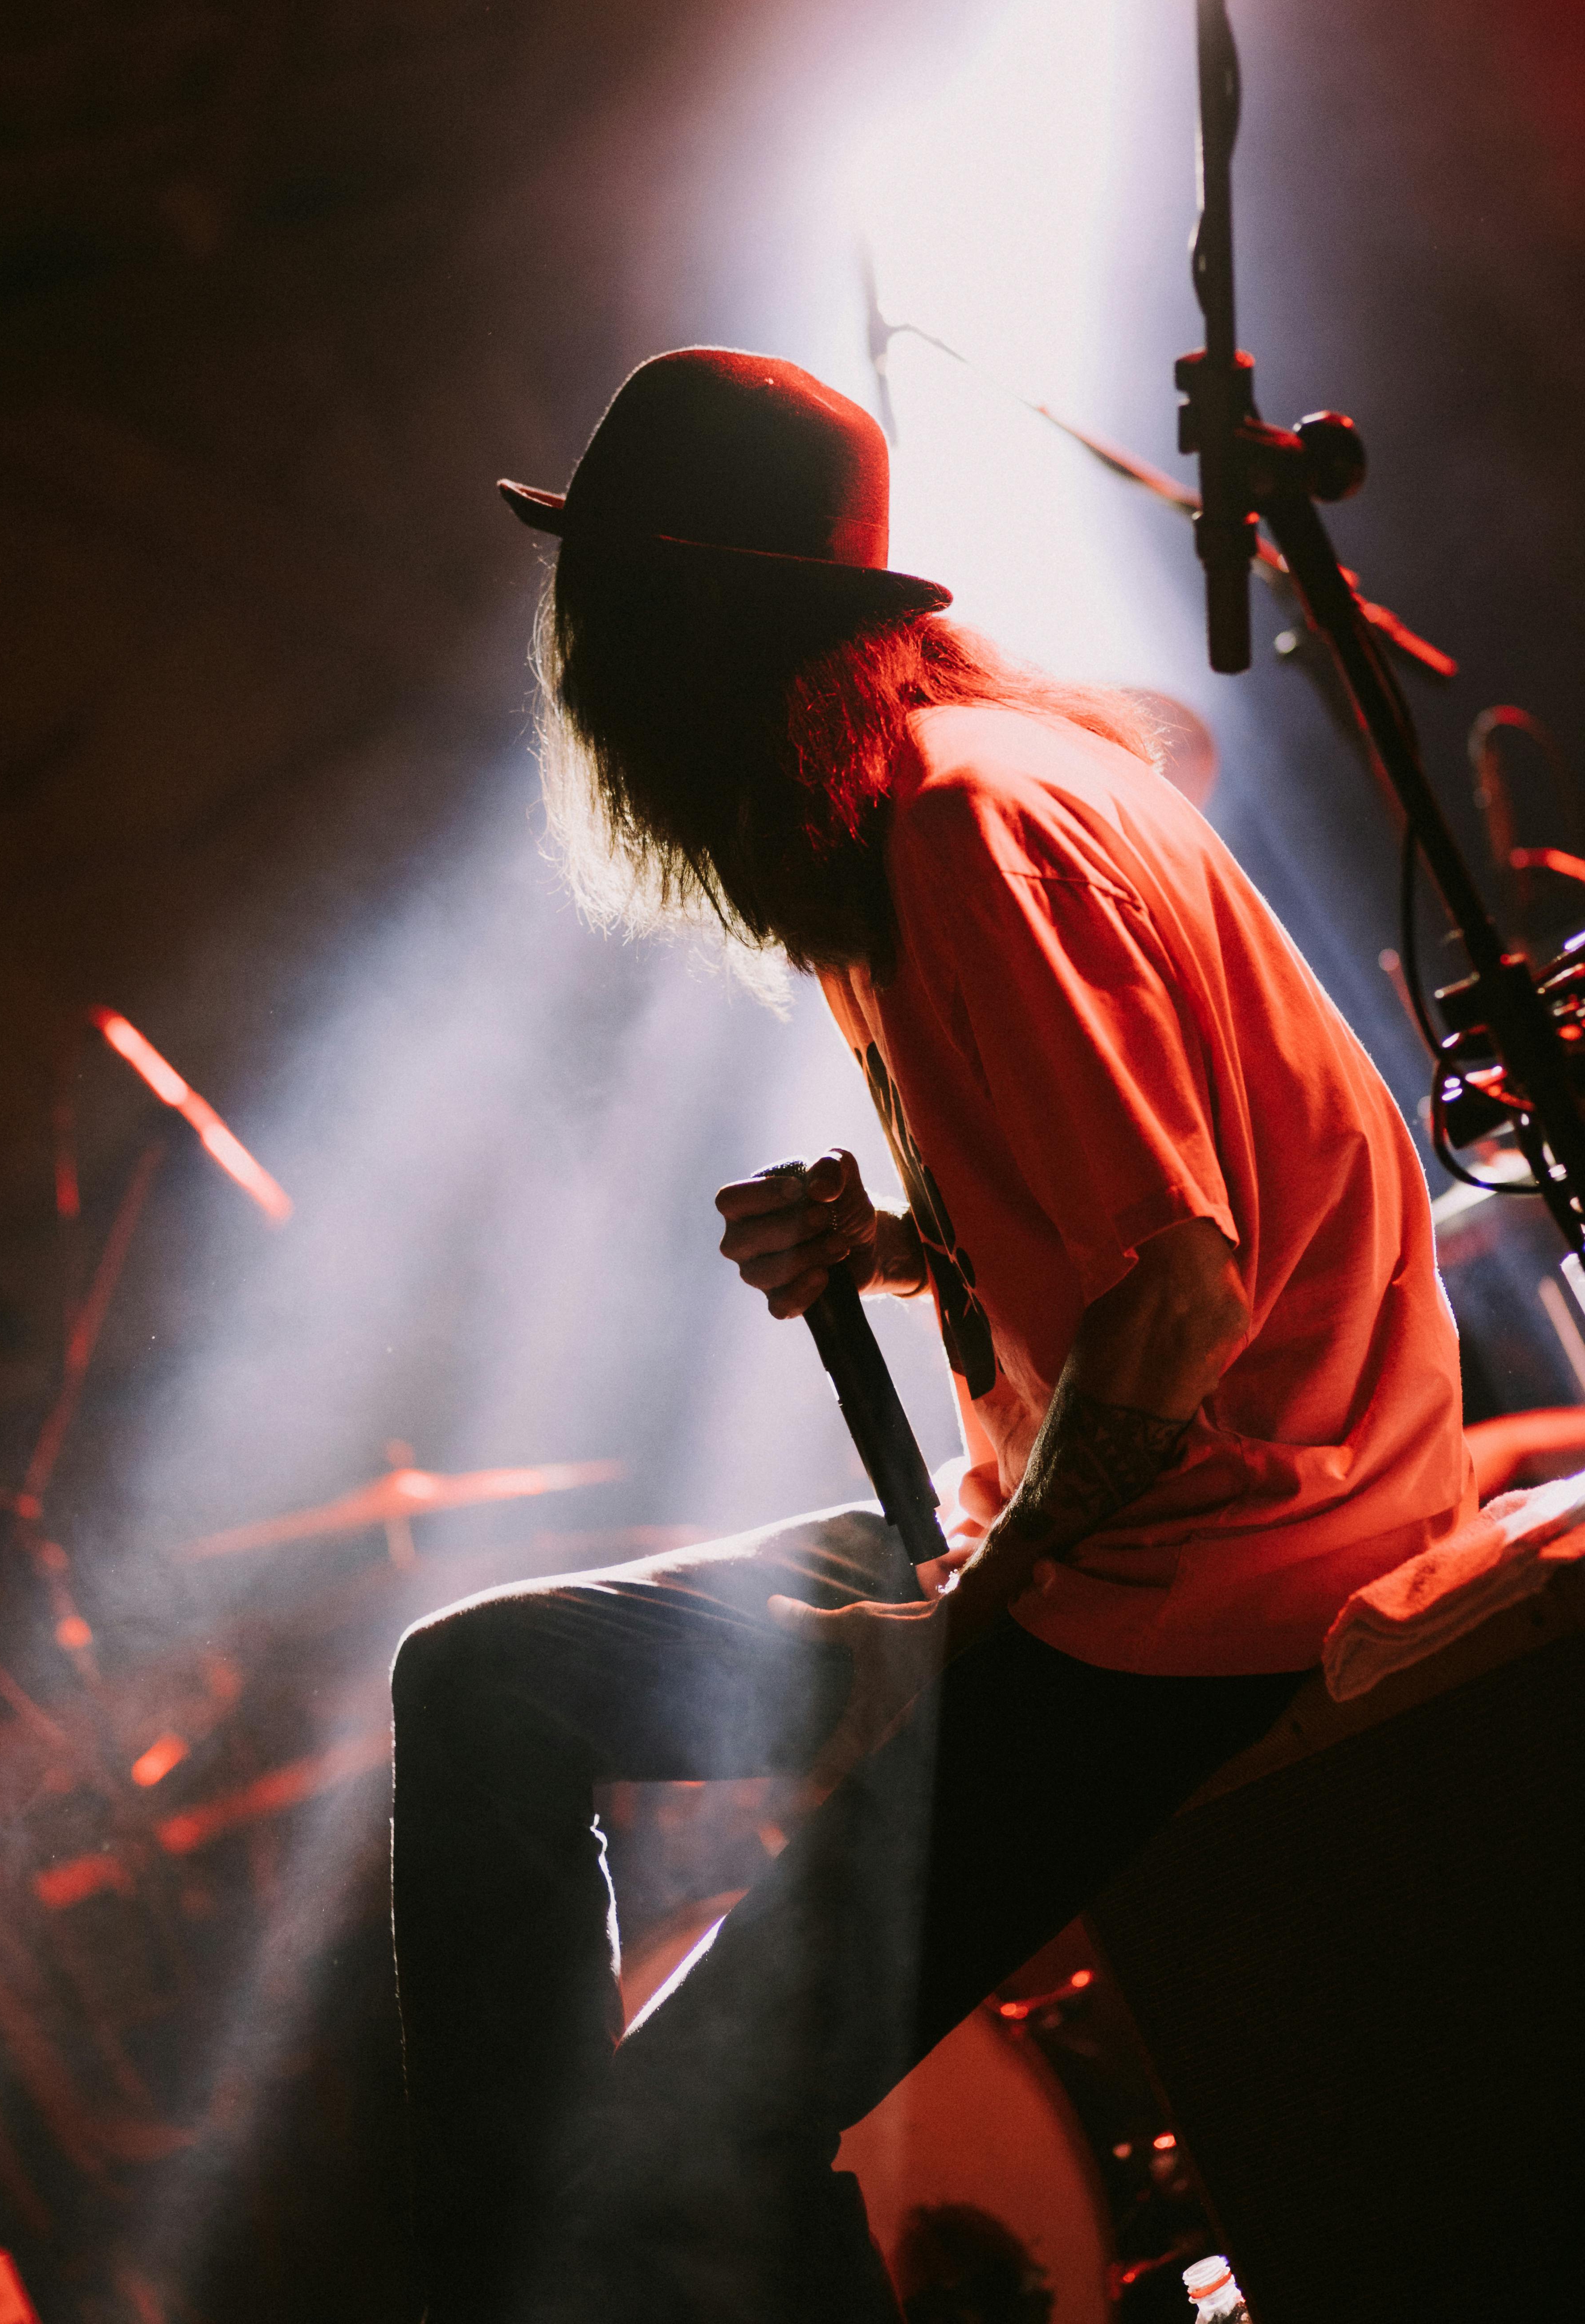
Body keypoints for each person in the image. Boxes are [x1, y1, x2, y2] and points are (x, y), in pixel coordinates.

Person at [389, 349, 1470, 2324]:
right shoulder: (917, 811)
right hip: (1126, 1525)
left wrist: (950, 1644)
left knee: (690, 2133)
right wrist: (903, 1243)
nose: (582, 672)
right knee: (476, 1682)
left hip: (1210, 1571)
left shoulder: (964, 840)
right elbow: (1121, 1213)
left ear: (711, 625)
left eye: (612, 617)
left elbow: (1179, 1300)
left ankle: (558, 2244)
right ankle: (544, 2238)